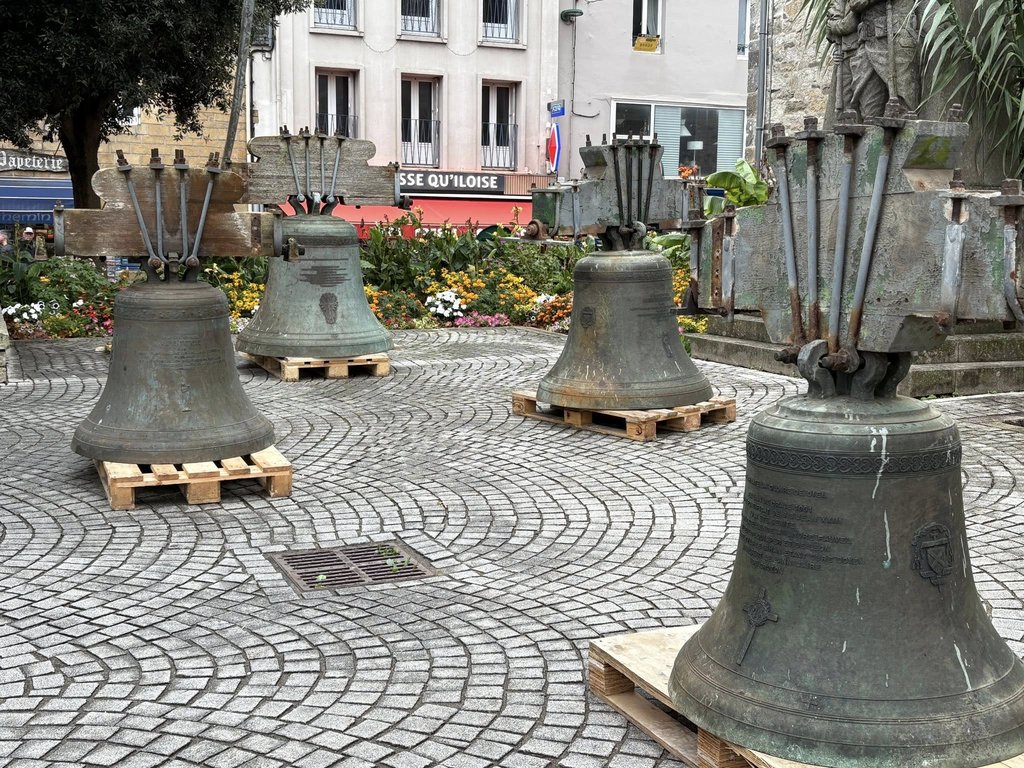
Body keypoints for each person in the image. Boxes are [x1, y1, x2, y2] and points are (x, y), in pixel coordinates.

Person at [827, 0, 920, 119]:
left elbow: (857, 3)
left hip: (895, 42)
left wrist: (837, 25)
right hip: (867, 44)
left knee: (903, 109)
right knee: (869, 112)